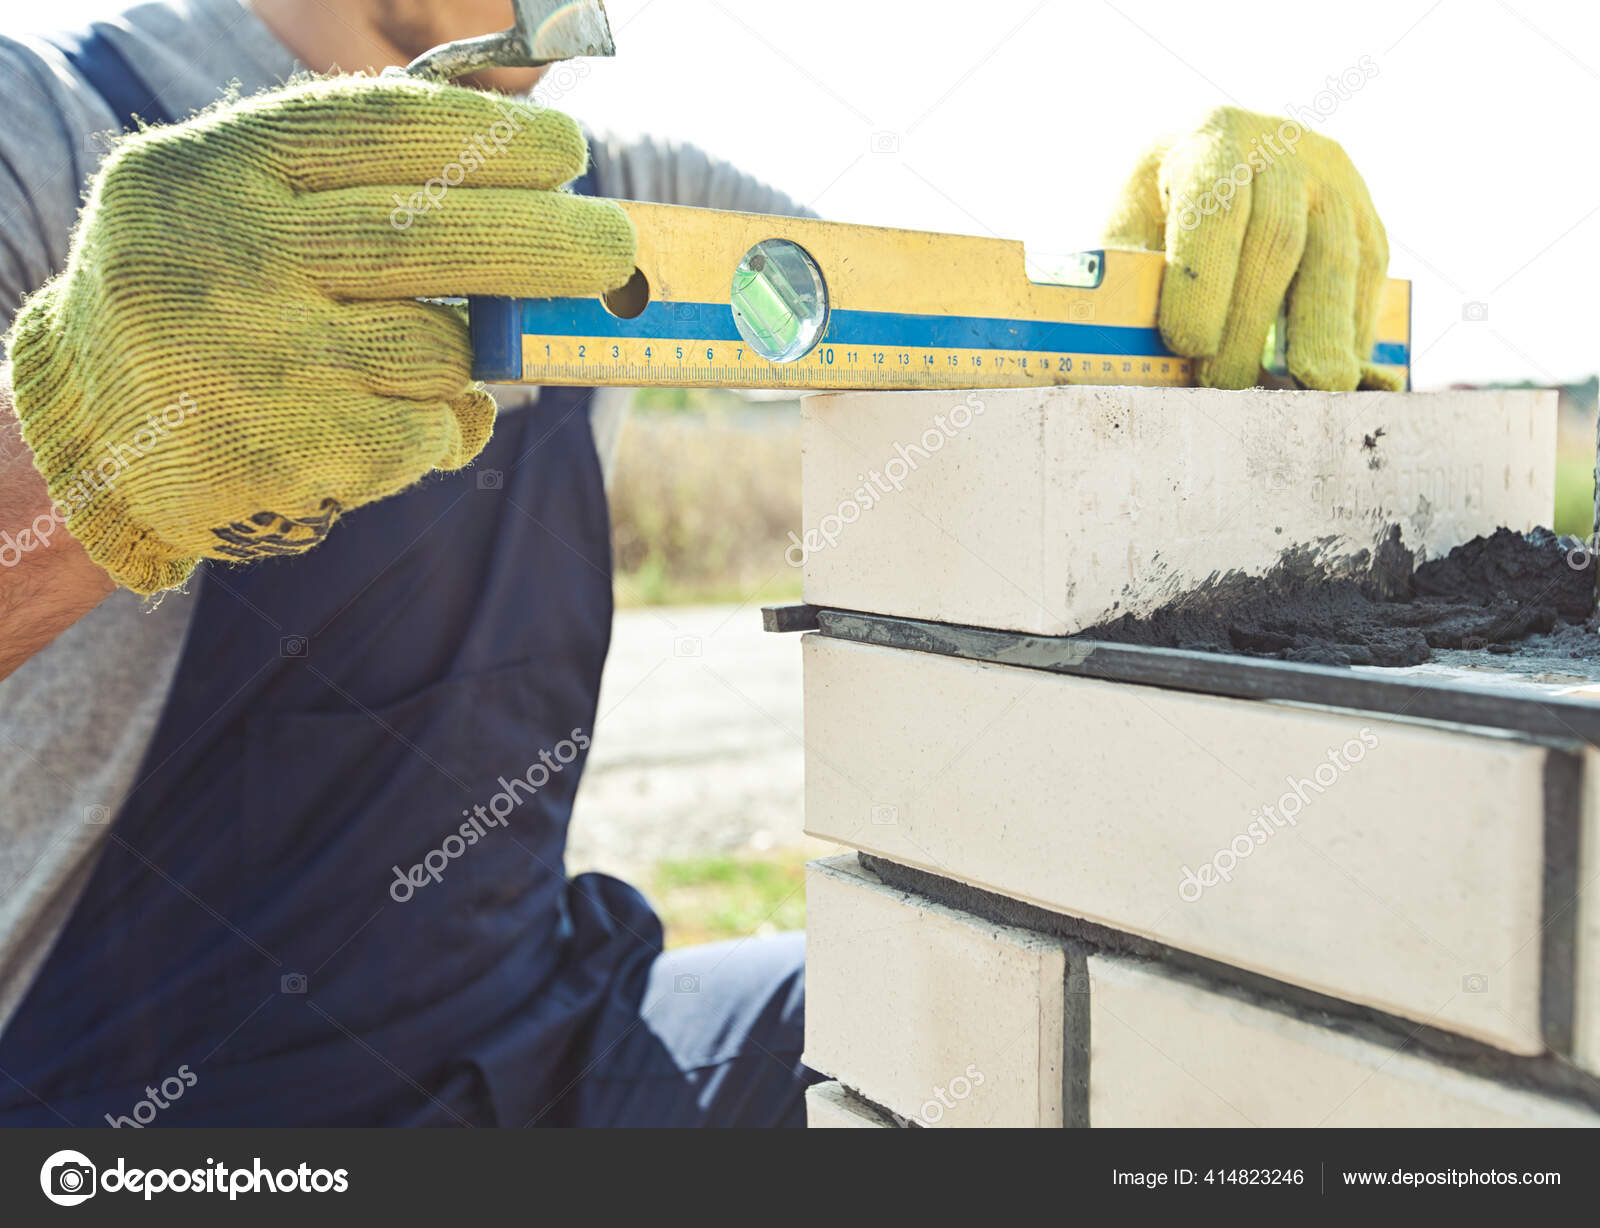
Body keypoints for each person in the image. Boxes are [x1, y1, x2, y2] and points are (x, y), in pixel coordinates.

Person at [0, 0, 1393, 1127]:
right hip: (127, 1108)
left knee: (1099, 1045)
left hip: (546, 1047)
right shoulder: (42, 124)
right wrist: (88, 432)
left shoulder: (621, 209)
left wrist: (1170, 255)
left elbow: (989, 336)